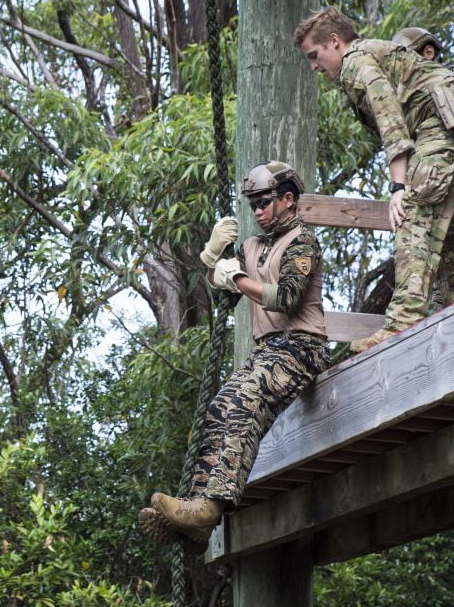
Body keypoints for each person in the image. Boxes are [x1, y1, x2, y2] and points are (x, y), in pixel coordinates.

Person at [138, 161, 330, 547]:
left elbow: (287, 299)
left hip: (302, 348)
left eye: (264, 202)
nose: (258, 211)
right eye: (253, 204)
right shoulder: (252, 246)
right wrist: (211, 258)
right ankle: (198, 508)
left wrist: (238, 277)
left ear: (288, 199)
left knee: (243, 400)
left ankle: (209, 509)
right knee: (221, 406)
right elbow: (222, 291)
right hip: (270, 352)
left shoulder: (302, 243)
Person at [292, 7, 454, 352]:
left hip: (441, 130)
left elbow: (389, 117)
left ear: (335, 42)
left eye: (314, 55)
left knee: (411, 221)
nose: (313, 66)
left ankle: (401, 325)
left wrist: (399, 187)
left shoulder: (357, 60)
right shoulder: (380, 53)